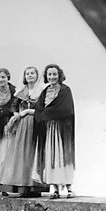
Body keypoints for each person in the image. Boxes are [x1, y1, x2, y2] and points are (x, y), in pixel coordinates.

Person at [0, 65, 45, 197]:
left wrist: (28, 111)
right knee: (20, 153)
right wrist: (17, 115)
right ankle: (21, 186)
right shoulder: (20, 92)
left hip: (36, 123)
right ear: (24, 76)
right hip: (23, 125)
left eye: (32, 73)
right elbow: (13, 107)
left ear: (37, 76)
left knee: (32, 154)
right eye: (27, 73)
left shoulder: (42, 91)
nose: (29, 76)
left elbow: (44, 110)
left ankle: (33, 187)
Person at [34, 63, 75, 199]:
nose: (52, 77)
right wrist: (48, 113)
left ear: (59, 75)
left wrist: (48, 112)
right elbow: (38, 110)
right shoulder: (45, 91)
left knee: (63, 157)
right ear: (46, 76)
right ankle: (55, 189)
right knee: (52, 157)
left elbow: (66, 109)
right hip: (49, 129)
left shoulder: (65, 90)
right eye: (49, 74)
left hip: (62, 130)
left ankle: (69, 188)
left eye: (54, 74)